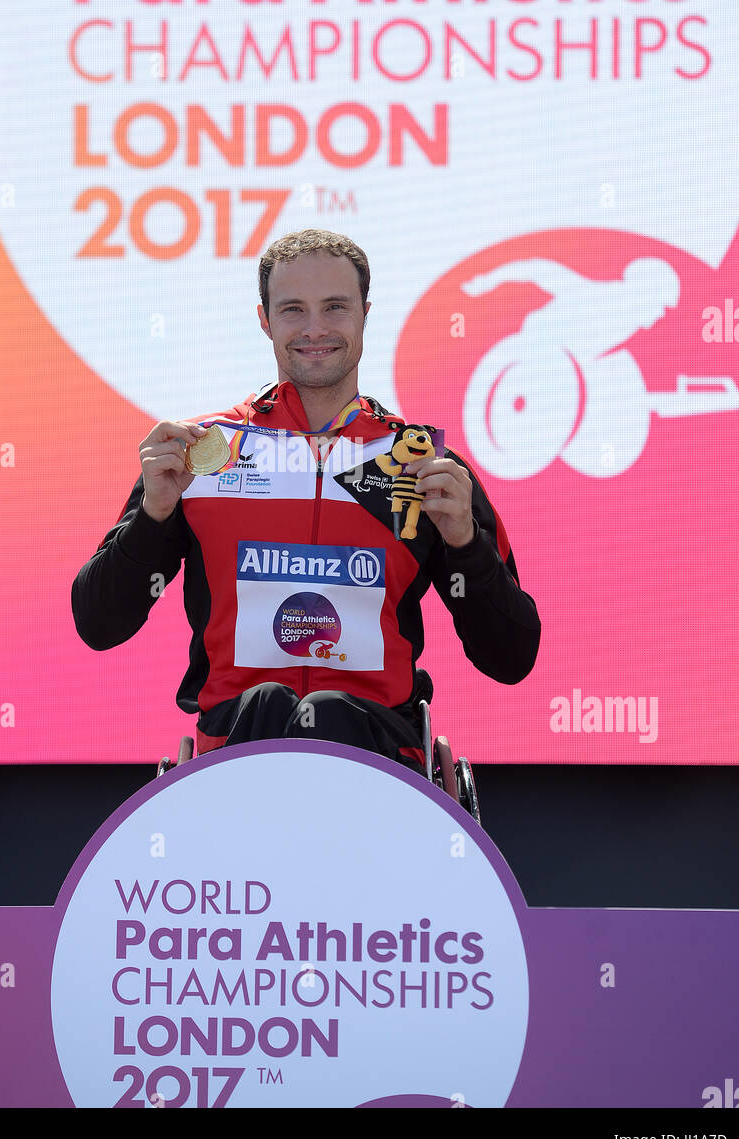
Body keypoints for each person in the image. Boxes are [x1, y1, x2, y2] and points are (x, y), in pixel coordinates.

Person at [71, 229, 541, 772]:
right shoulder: (202, 455)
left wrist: (465, 544)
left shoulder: (419, 464)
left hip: (381, 760)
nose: (315, 328)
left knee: (334, 712)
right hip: (234, 753)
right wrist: (152, 519)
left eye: (335, 307)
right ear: (265, 320)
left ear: (365, 315)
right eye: (293, 309)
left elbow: (511, 658)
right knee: (266, 704)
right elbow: (99, 625)